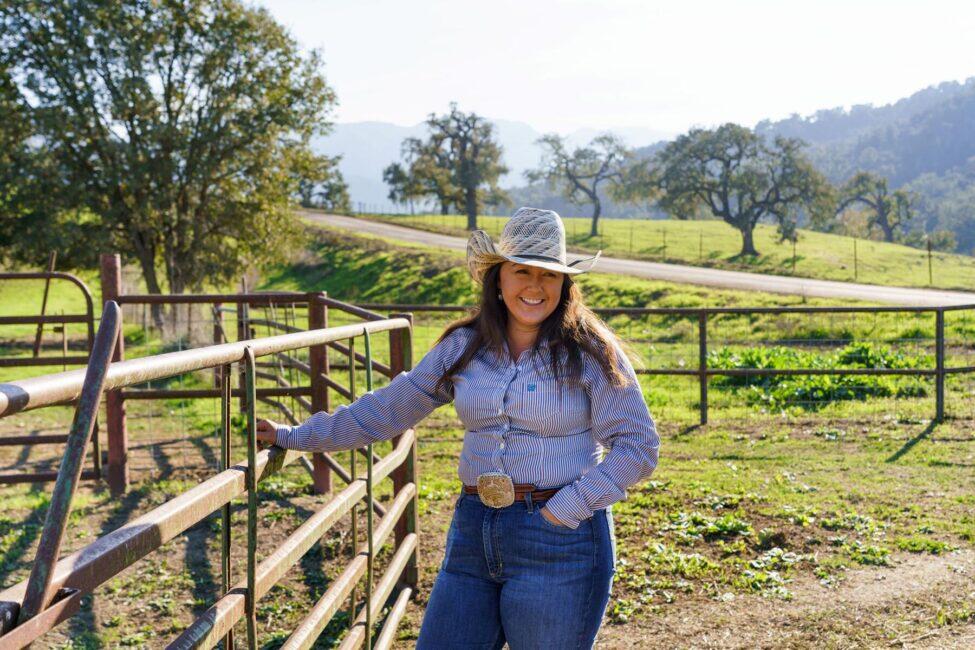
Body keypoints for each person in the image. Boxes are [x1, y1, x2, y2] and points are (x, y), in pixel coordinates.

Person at [256, 207, 659, 649]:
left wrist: (567, 507)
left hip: (559, 542)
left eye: (549, 275)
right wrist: (294, 437)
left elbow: (638, 446)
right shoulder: (464, 348)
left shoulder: (590, 352)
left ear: (564, 285)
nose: (534, 286)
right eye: (521, 270)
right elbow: (389, 410)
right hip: (474, 531)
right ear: (498, 279)